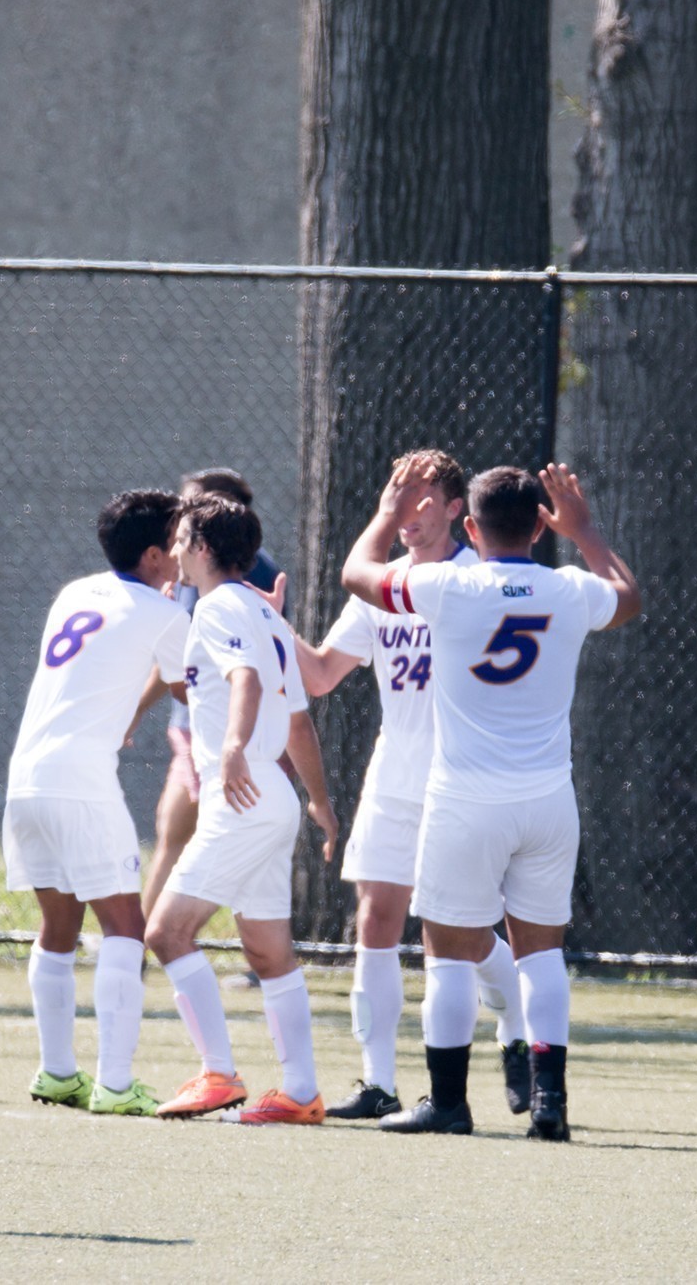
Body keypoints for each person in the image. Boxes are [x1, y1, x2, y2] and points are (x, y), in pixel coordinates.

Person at [340, 459, 640, 1140]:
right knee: (540, 955)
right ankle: (550, 1103)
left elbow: (358, 574)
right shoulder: (569, 589)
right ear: (541, 524)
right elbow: (627, 597)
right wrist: (587, 532)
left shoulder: (450, 585)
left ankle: (448, 1103)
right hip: (547, 802)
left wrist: (388, 514)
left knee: (447, 953)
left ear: (470, 527)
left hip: (465, 800)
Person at [290, 449, 531, 1121]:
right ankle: (377, 1084)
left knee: (459, 933)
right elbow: (319, 675)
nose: (402, 512)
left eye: (418, 497)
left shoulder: (475, 579)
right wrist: (263, 622)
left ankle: (519, 1020)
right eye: (393, 495)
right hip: (393, 774)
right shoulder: (382, 586)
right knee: (375, 920)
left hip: (459, 778)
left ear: (456, 508)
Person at [144, 494, 338, 1124]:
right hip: (271, 797)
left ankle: (219, 1075)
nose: (174, 550)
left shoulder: (221, 604)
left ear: (203, 548)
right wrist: (318, 801)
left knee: (166, 933)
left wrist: (230, 749)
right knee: (267, 952)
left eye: (180, 539)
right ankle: (302, 1092)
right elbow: (301, 723)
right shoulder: (264, 611)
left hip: (243, 795)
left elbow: (247, 681)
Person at [4, 489, 189, 1117]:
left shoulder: (75, 592)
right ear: (157, 555)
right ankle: (114, 1084)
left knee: (58, 928)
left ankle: (58, 1074)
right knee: (125, 928)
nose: (187, 551)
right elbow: (190, 686)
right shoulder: (167, 613)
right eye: (181, 540)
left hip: (27, 777)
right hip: (82, 783)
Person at [140, 468, 284, 918]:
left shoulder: (211, 589)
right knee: (188, 838)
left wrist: (233, 745)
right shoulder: (261, 579)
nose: (176, 527)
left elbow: (193, 672)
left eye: (188, 509)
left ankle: (140, 945)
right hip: (233, 743)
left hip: (219, 740)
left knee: (177, 840)